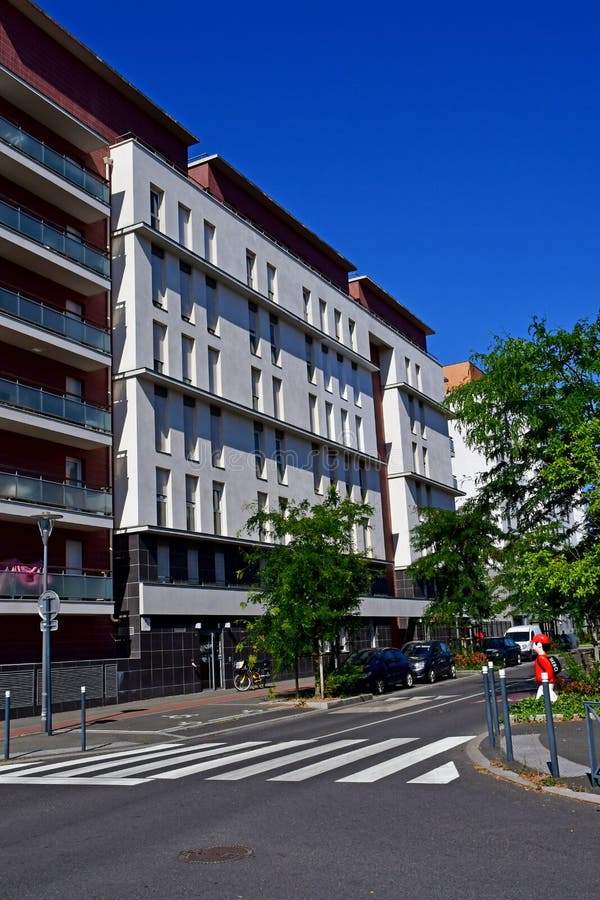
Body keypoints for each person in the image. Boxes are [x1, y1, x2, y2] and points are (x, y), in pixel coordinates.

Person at [532, 633, 557, 702]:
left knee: (552, 698)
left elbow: (549, 671)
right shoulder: (542, 656)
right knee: (539, 696)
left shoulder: (541, 658)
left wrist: (542, 679)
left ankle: (559, 706)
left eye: (534, 644)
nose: (533, 647)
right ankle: (537, 706)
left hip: (546, 682)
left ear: (539, 645)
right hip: (545, 682)